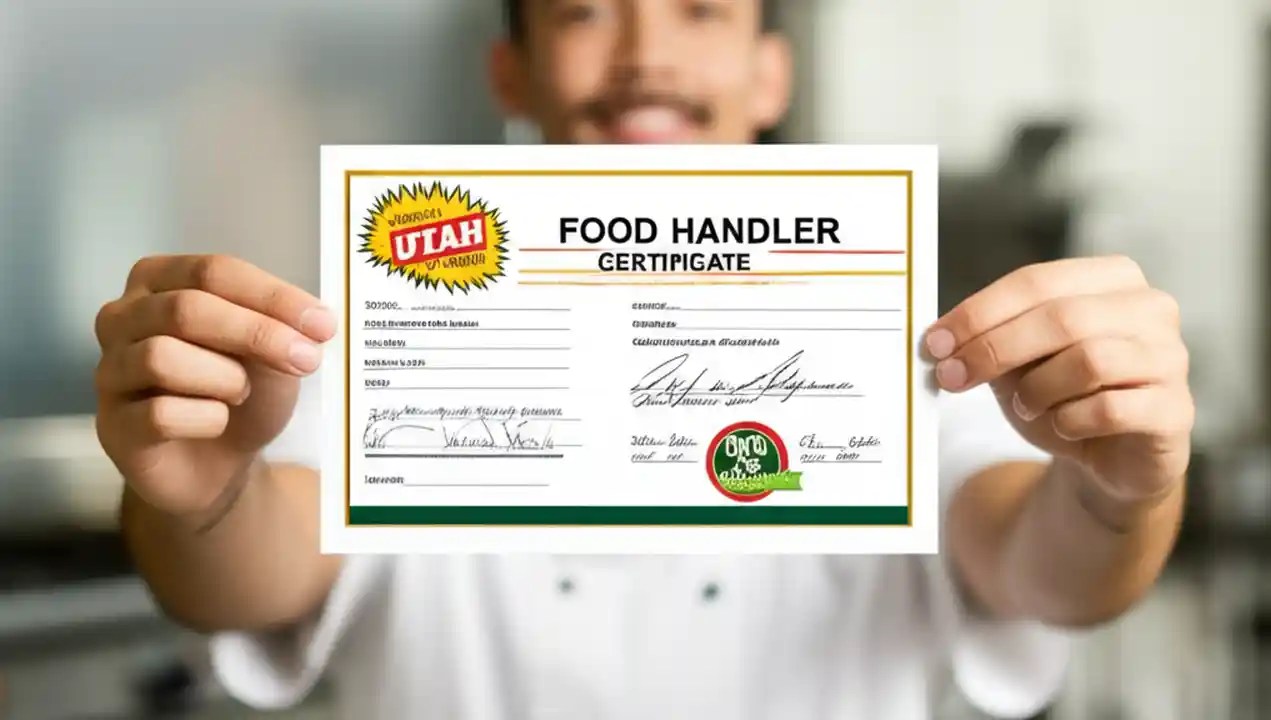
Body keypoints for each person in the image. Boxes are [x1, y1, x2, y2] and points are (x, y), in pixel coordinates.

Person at [93, 1, 1193, 718]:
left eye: (699, 11)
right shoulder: (377, 336)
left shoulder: (909, 349)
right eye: (581, 13)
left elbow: (1042, 567)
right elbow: (250, 576)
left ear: (769, 77)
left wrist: (1116, 491)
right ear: (508, 74)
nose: (643, 55)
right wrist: (204, 494)